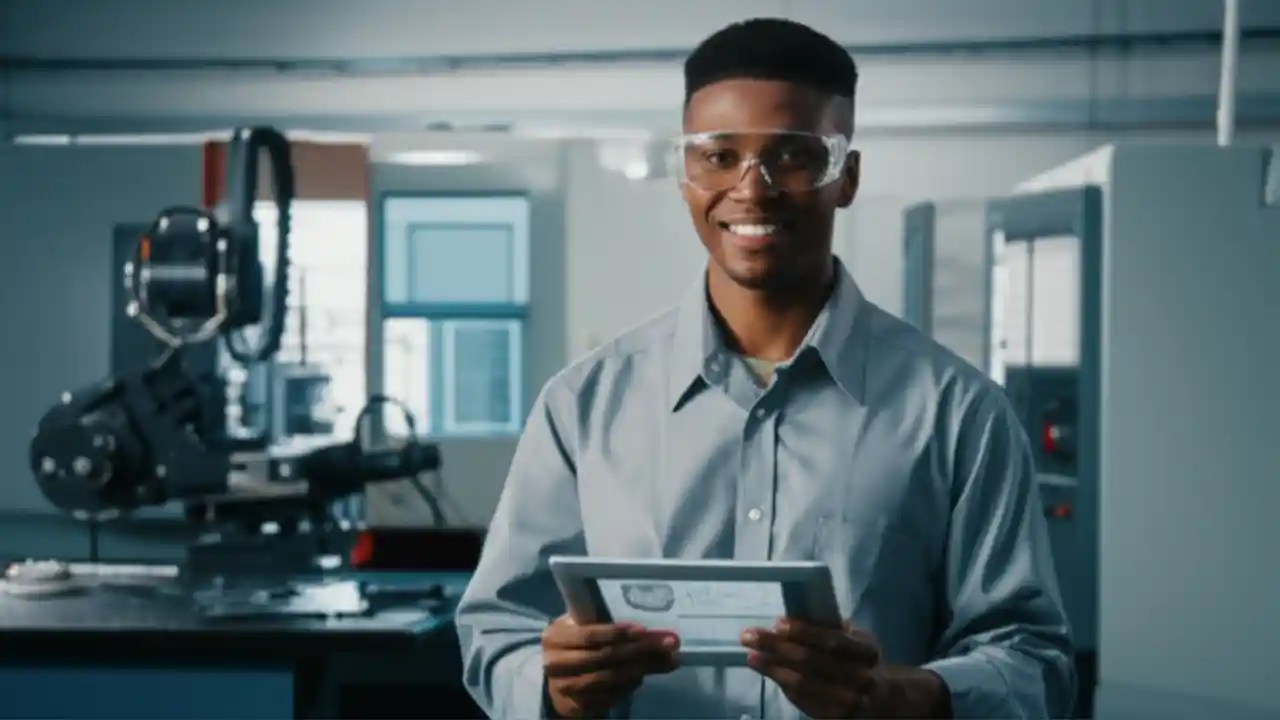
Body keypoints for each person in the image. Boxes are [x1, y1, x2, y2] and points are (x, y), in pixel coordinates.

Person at [456, 17, 1074, 719]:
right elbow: (495, 629)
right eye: (718, 157)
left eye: (794, 156)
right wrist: (551, 685)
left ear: (847, 176)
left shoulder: (960, 415)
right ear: (685, 174)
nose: (752, 189)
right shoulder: (583, 407)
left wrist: (896, 696)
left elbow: (1034, 662)